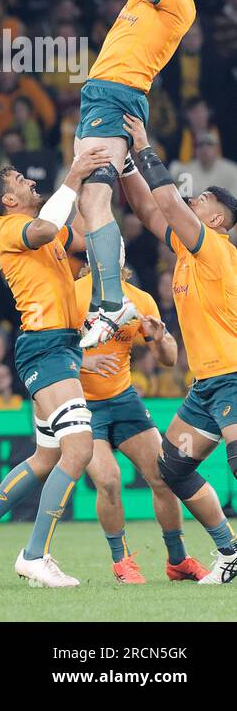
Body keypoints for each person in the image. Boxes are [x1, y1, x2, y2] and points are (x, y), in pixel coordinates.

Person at [0, 147, 112, 590]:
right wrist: (74, 174)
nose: (30, 182)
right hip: (44, 347)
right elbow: (46, 229)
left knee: (47, 457)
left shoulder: (42, 227)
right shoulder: (10, 229)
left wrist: (104, 185)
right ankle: (34, 555)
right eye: (21, 180)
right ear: (7, 200)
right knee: (79, 448)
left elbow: (82, 236)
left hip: (60, 345)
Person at [73, 0, 202, 348]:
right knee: (91, 202)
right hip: (102, 96)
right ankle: (112, 294)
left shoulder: (180, 2)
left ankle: (109, 302)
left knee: (93, 200)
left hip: (117, 93)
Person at [120, 113, 237, 583]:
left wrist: (143, 144)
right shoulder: (190, 249)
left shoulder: (213, 247)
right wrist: (125, 165)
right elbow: (149, 211)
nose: (193, 198)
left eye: (202, 198)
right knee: (171, 467)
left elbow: (166, 198)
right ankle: (230, 552)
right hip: (207, 383)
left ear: (214, 220)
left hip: (233, 373)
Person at [72, 264, 208, 582]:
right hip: (82, 403)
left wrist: (160, 340)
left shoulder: (139, 300)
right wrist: (84, 360)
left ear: (122, 260)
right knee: (108, 480)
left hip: (123, 400)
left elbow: (170, 358)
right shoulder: (72, 294)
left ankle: (178, 560)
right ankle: (122, 562)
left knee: (164, 476)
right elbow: (46, 351)